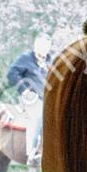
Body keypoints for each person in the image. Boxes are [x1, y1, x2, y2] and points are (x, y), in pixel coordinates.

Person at [6, 32, 52, 164]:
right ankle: (31, 152)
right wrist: (25, 90)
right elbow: (11, 73)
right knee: (37, 115)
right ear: (35, 46)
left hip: (46, 99)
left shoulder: (50, 61)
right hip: (30, 98)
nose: (43, 49)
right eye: (41, 46)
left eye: (46, 46)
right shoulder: (25, 59)